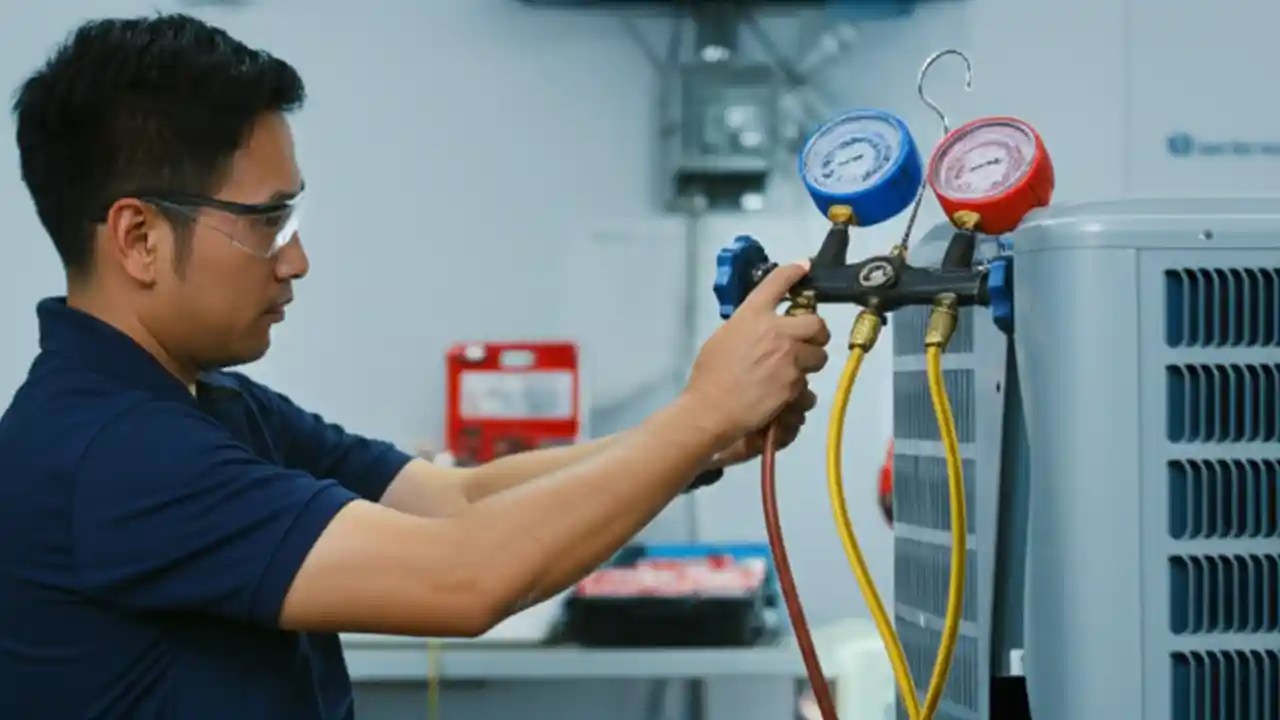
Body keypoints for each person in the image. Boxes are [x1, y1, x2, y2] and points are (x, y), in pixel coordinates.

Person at [0, 13, 830, 720]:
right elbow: (466, 577)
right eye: (268, 222)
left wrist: (696, 440)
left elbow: (450, 499)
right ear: (139, 238)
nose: (296, 261)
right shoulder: (113, 454)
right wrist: (699, 419)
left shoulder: (206, 404)